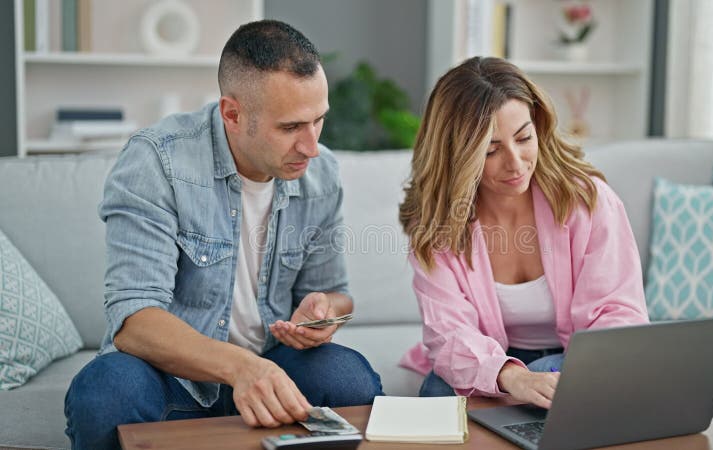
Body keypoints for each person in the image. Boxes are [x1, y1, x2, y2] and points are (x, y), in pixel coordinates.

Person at [64, 20, 383, 449]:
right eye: (290, 128)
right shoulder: (158, 161)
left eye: (318, 121)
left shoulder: (320, 173)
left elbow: (334, 292)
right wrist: (240, 368)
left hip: (271, 367)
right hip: (171, 379)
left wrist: (321, 313)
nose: (310, 145)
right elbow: (134, 321)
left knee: (349, 378)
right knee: (105, 394)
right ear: (232, 114)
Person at [398, 57, 649, 408]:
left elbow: (616, 314)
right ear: (458, 155)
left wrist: (560, 375)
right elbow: (451, 334)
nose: (515, 163)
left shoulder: (587, 202)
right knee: (438, 392)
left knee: (547, 377)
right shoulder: (438, 225)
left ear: (539, 127)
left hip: (574, 356)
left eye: (523, 137)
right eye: (491, 150)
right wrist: (511, 376)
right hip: (490, 360)